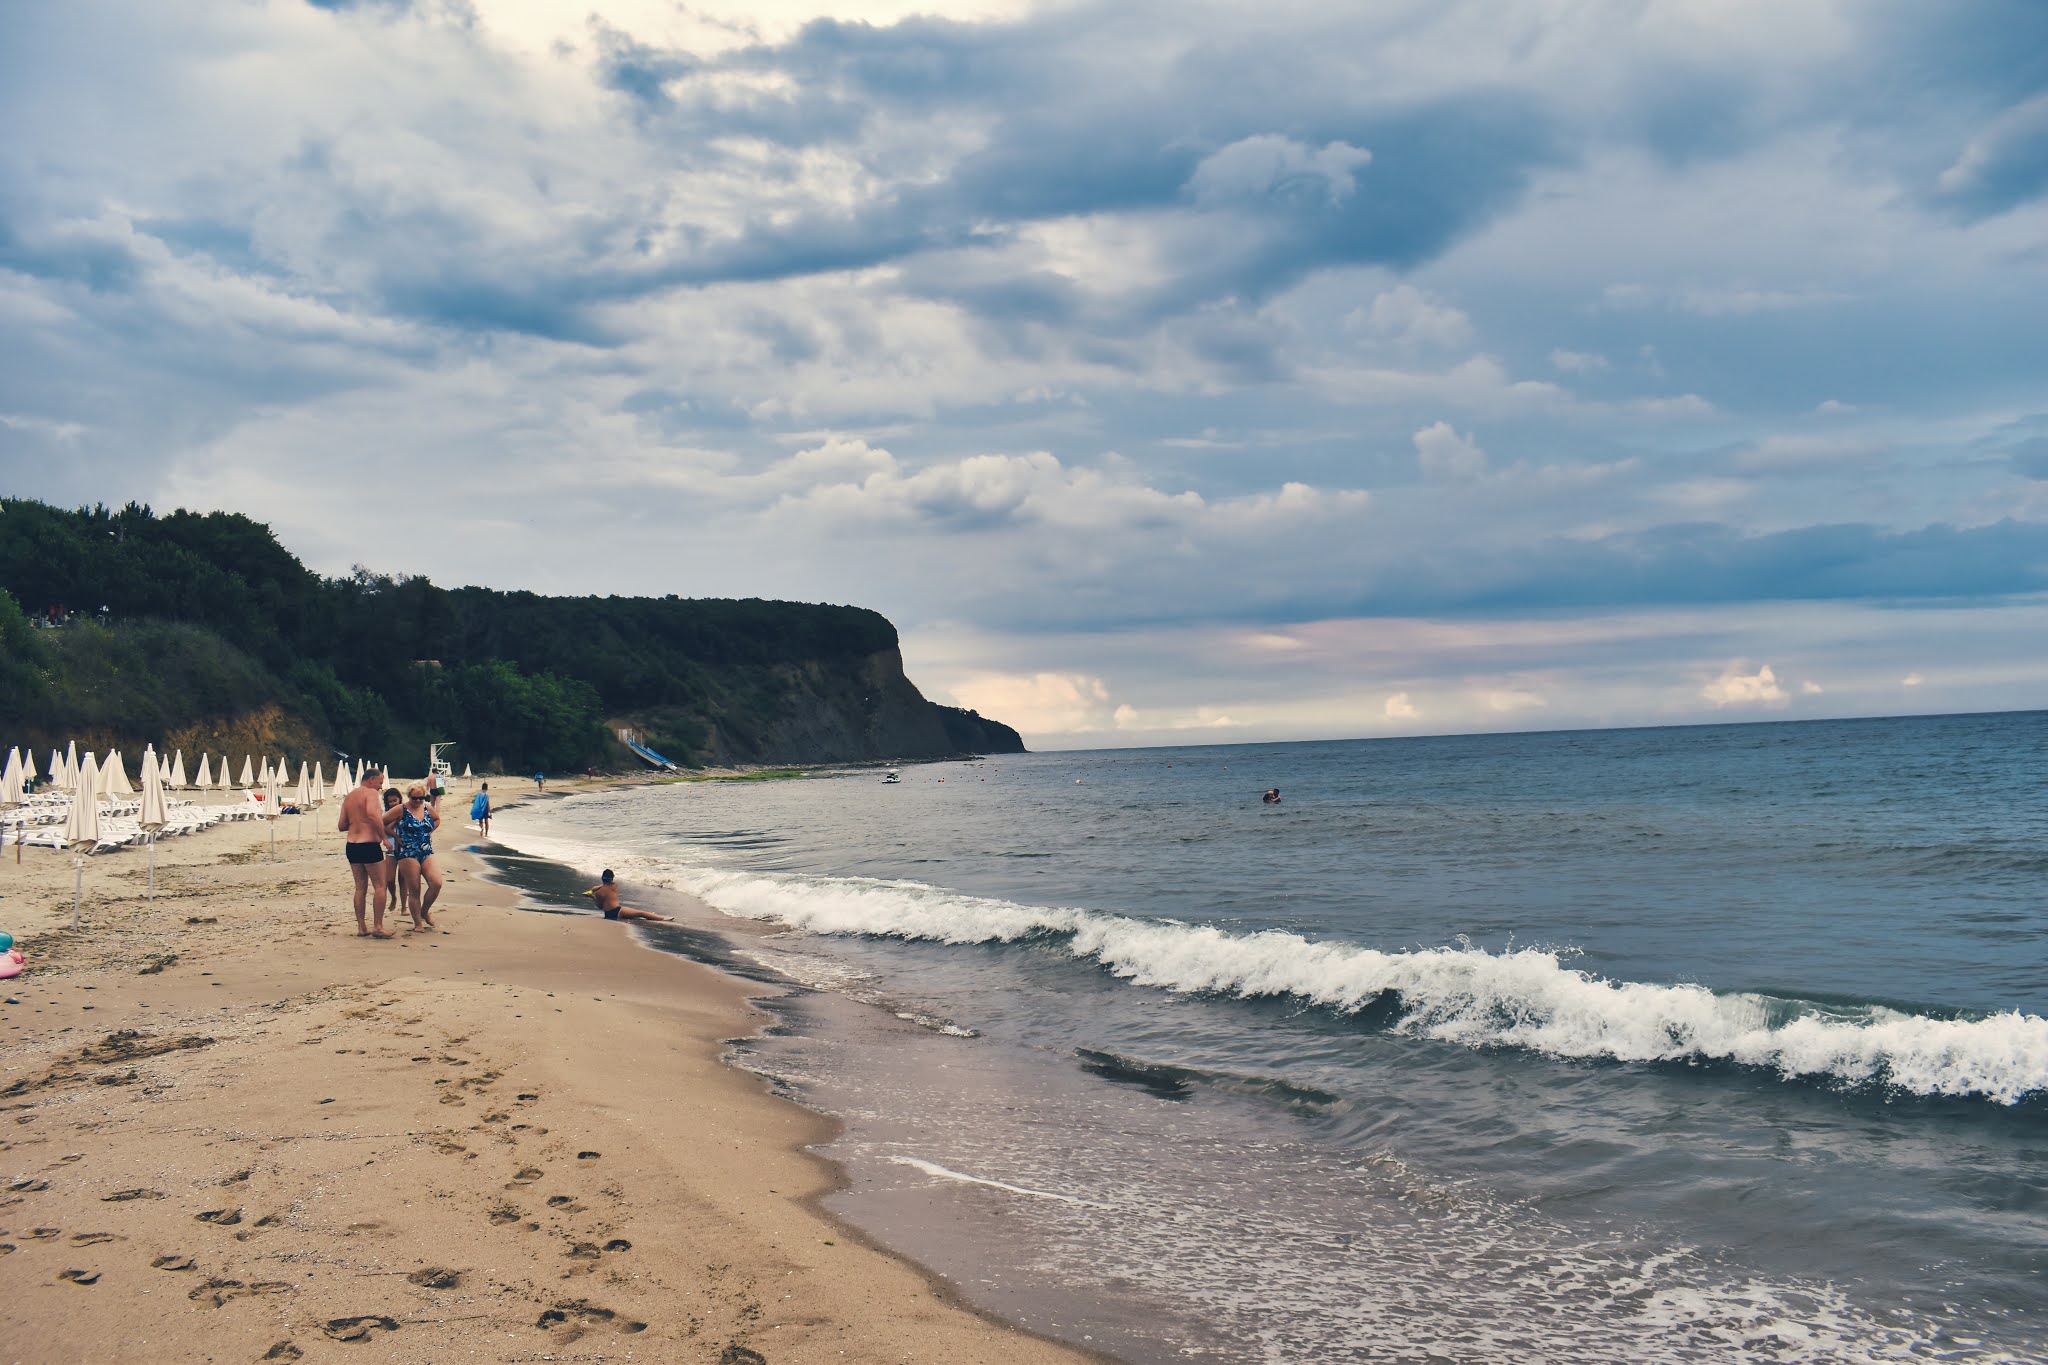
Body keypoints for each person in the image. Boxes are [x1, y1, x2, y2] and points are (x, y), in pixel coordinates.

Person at [336, 768, 393, 938]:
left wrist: (356, 822)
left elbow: (341, 825)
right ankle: (378, 926)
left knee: (360, 887)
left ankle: (361, 927)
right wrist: (384, 838)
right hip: (369, 844)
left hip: (352, 845)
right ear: (370, 780)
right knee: (380, 885)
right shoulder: (371, 793)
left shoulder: (349, 796)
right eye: (380, 782)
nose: (381, 787)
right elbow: (373, 815)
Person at [385, 781, 444, 933]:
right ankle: (418, 923)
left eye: (421, 798)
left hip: (426, 850)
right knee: (415, 888)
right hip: (407, 852)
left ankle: (424, 911)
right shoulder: (401, 809)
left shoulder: (427, 808)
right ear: (408, 796)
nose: (418, 801)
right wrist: (394, 837)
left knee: (436, 883)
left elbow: (437, 819)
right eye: (414, 798)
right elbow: (380, 822)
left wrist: (430, 831)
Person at [585, 870, 672, 923]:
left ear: (602, 878)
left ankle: (652, 916)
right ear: (612, 878)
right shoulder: (614, 885)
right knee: (641, 913)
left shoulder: (598, 893)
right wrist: (596, 888)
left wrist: (592, 895)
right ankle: (662, 918)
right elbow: (606, 885)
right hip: (618, 911)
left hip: (608, 915)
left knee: (637, 915)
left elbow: (600, 906)